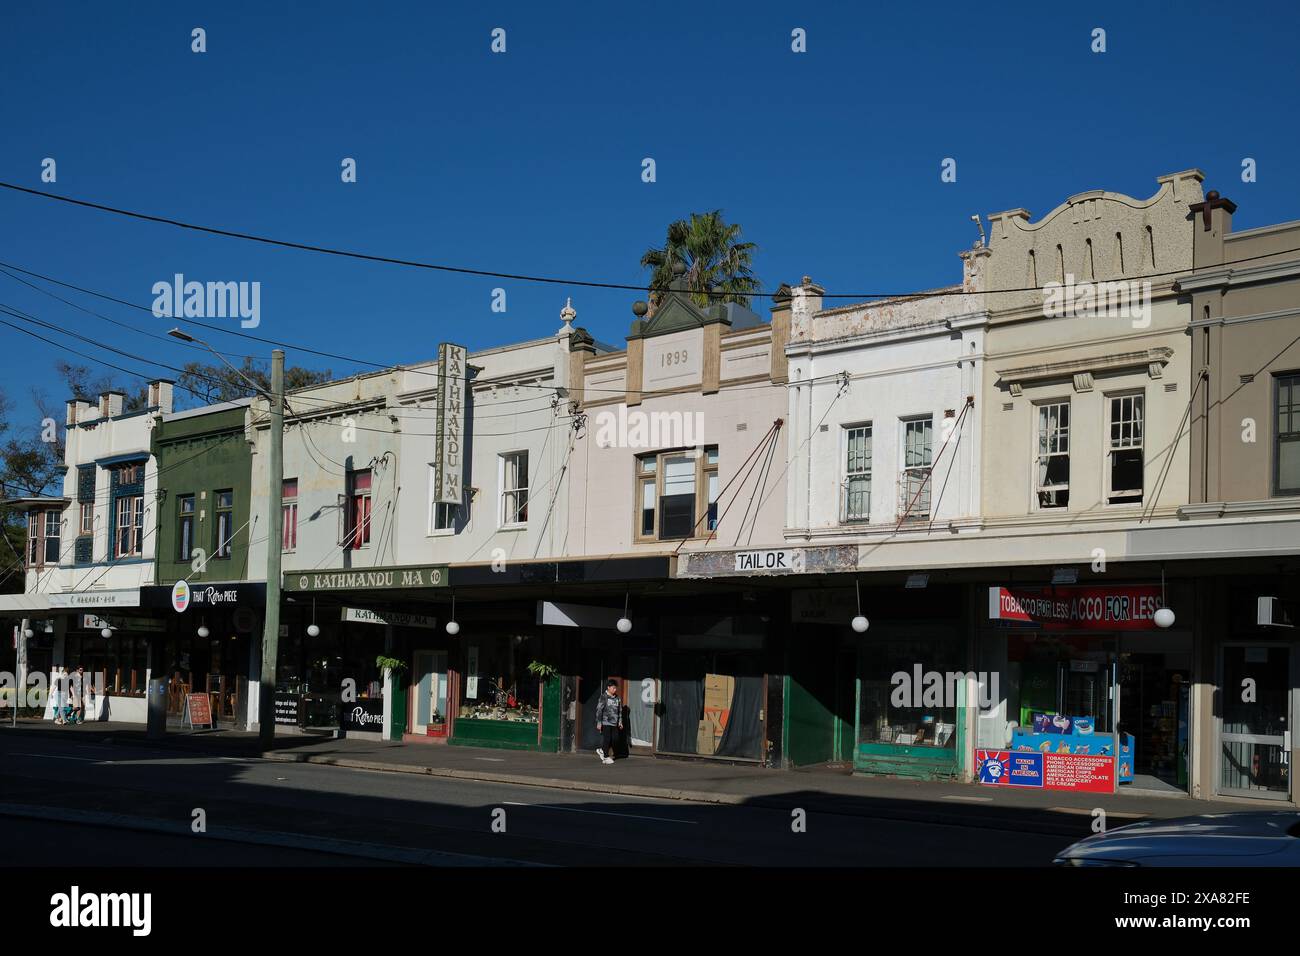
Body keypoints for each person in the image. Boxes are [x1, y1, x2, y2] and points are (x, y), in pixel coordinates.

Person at [594, 679, 623, 765]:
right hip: (605, 722)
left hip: (614, 723)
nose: (615, 689)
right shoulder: (604, 697)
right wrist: (599, 722)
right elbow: (599, 710)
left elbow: (620, 711)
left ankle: (602, 750)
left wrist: (620, 722)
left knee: (615, 739)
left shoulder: (617, 698)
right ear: (608, 687)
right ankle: (606, 757)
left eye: (615, 688)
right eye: (613, 688)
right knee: (607, 739)